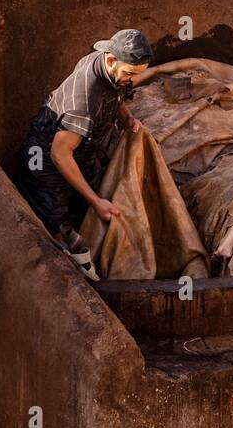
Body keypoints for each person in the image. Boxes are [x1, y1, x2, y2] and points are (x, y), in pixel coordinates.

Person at [16, 29, 154, 280]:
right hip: (46, 163)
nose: (134, 80)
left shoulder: (109, 68)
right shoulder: (85, 98)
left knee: (92, 210)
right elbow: (60, 154)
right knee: (61, 229)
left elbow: (116, 95)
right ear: (111, 60)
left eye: (139, 74)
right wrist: (96, 201)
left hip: (84, 152)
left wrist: (128, 119)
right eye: (131, 74)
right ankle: (82, 276)